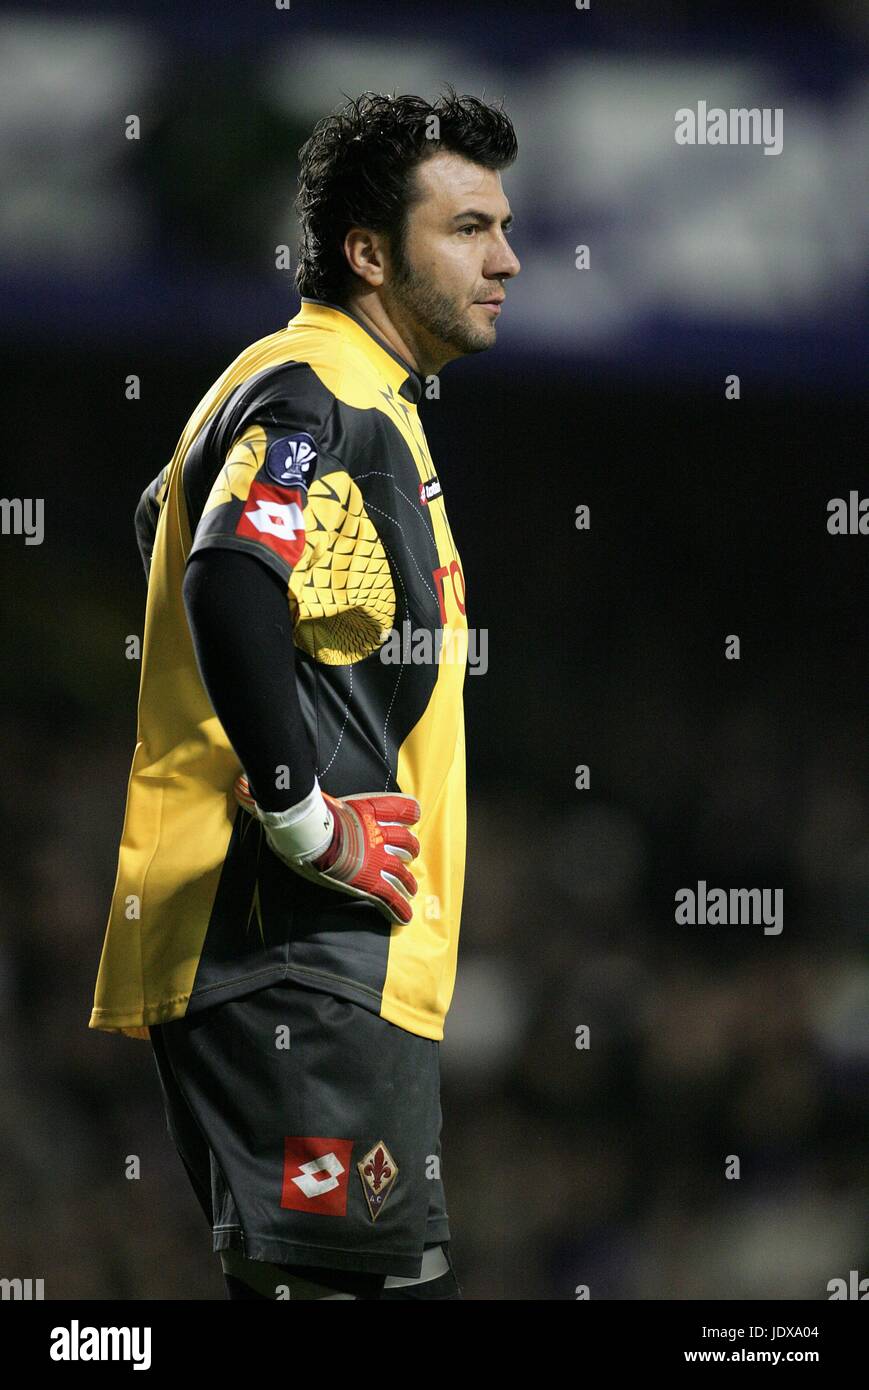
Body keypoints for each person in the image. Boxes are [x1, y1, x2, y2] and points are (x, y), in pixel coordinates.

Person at [89, 85, 520, 1300]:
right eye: (469, 228)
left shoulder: (327, 394)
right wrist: (304, 813)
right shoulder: (319, 389)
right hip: (296, 947)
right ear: (369, 252)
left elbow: (165, 532)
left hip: (299, 955)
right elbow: (228, 576)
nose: (508, 258)